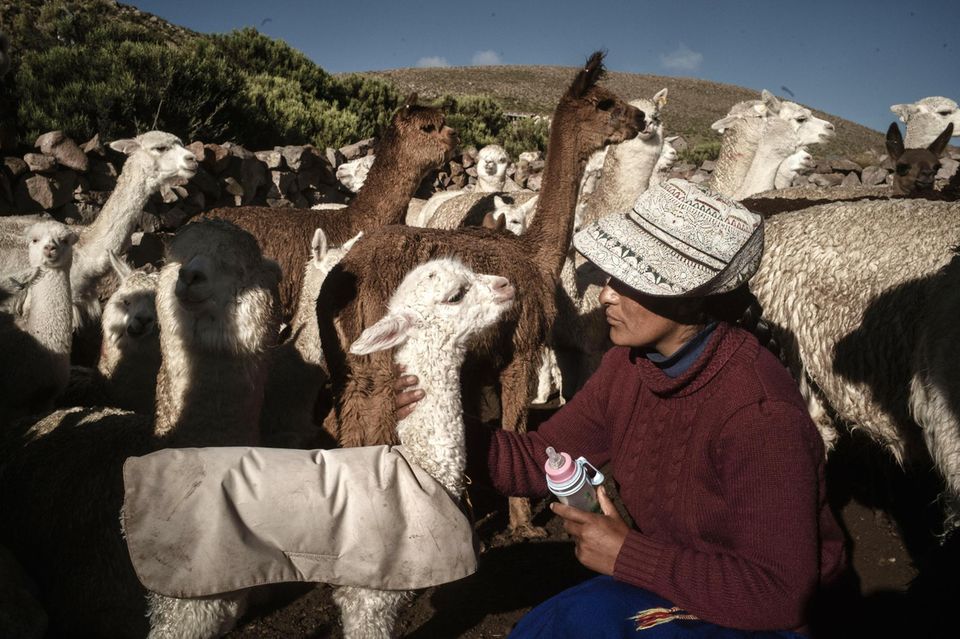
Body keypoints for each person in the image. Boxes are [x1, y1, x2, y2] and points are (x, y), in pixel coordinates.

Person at [395, 178, 847, 637]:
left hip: (762, 615)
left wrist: (627, 554)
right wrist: (440, 421)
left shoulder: (759, 415)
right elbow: (544, 458)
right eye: (612, 276)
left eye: (634, 281)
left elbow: (778, 592)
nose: (606, 294)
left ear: (693, 297)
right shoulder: (631, 366)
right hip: (677, 574)